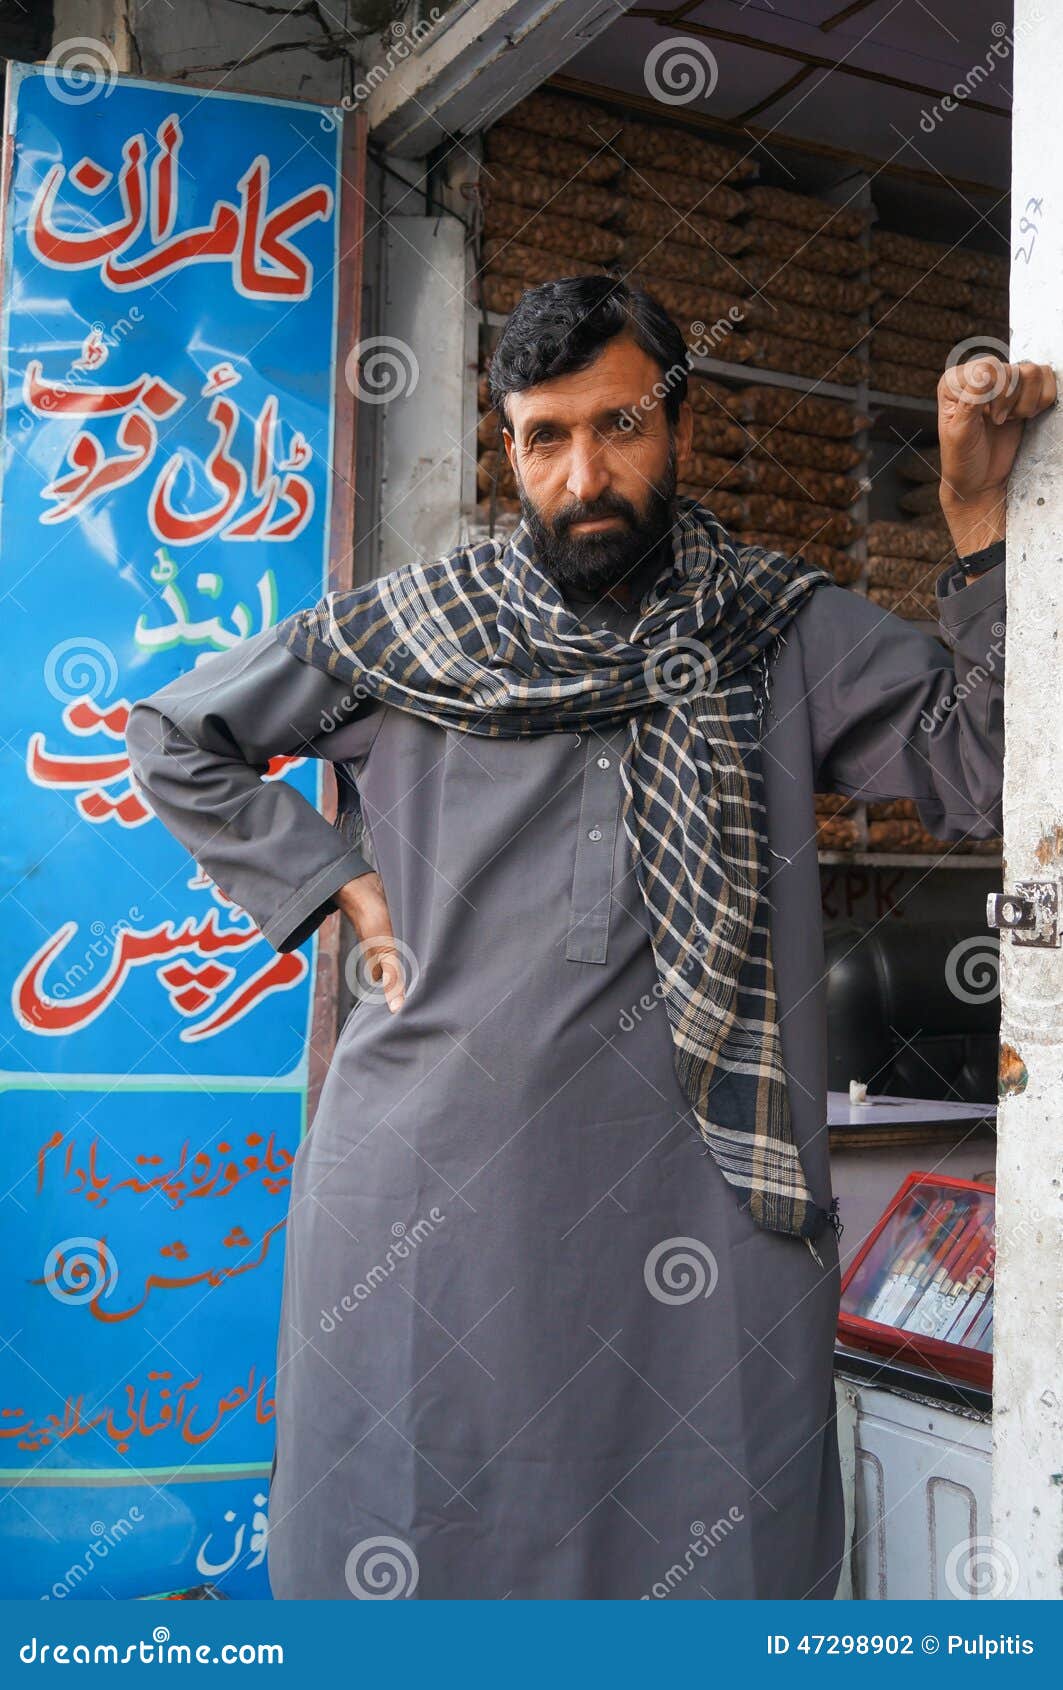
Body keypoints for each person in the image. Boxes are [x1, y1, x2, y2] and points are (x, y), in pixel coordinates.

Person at [124, 276, 1053, 1600]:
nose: (585, 474)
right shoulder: (416, 632)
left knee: (713, 1559)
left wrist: (977, 528)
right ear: (508, 448)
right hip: (427, 1208)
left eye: (619, 428)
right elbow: (173, 732)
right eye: (546, 438)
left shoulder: (771, 630)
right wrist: (335, 882)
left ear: (678, 426)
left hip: (705, 1196)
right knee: (412, 1564)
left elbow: (991, 765)